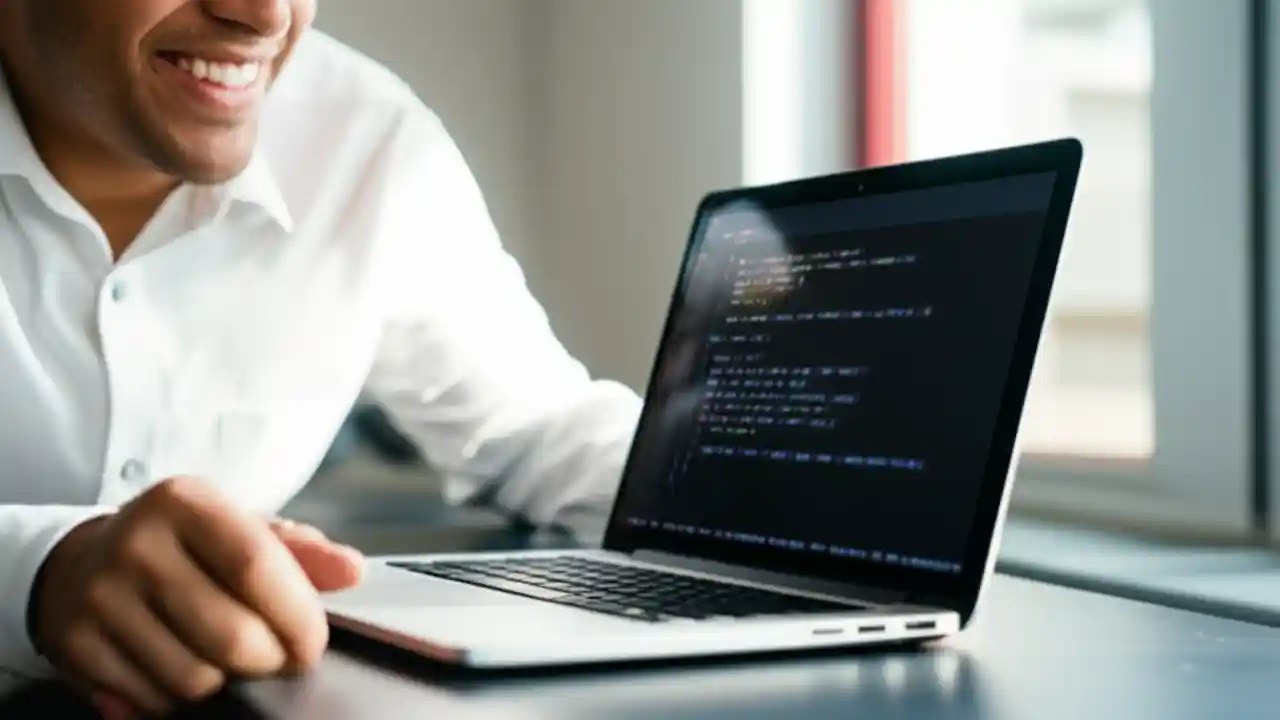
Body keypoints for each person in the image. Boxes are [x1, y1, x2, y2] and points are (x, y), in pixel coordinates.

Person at [0, 0, 642, 715]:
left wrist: (765, 493)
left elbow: (541, 430)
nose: (266, 16)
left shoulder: (364, 141)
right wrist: (38, 571)